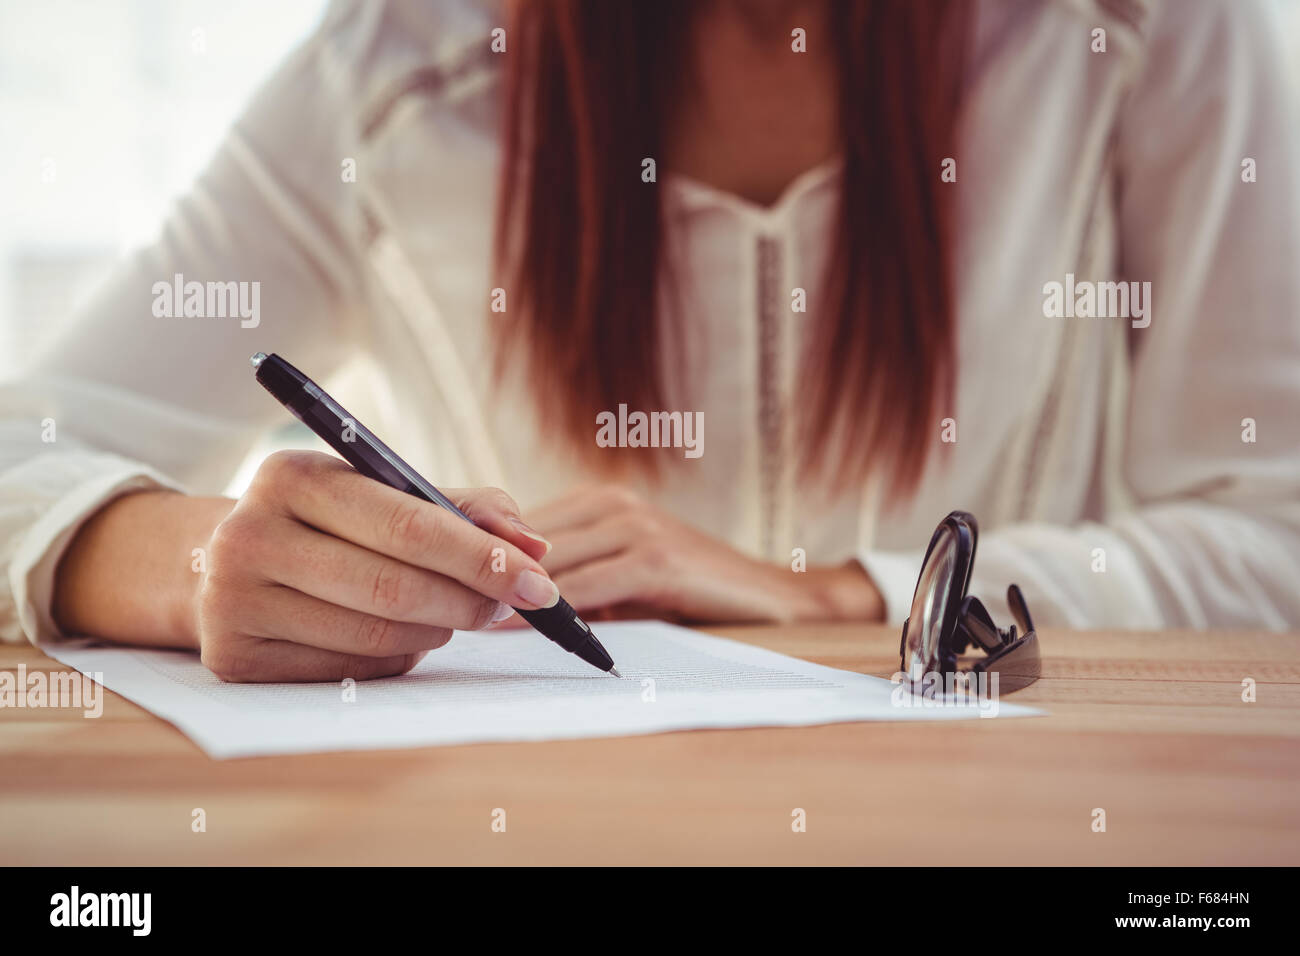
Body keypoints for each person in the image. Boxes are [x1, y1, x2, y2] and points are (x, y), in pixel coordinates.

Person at [2, 0, 1297, 682]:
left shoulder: (1151, 36)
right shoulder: (392, 70)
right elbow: (24, 453)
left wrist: (844, 591)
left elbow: (1276, 544)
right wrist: (192, 564)